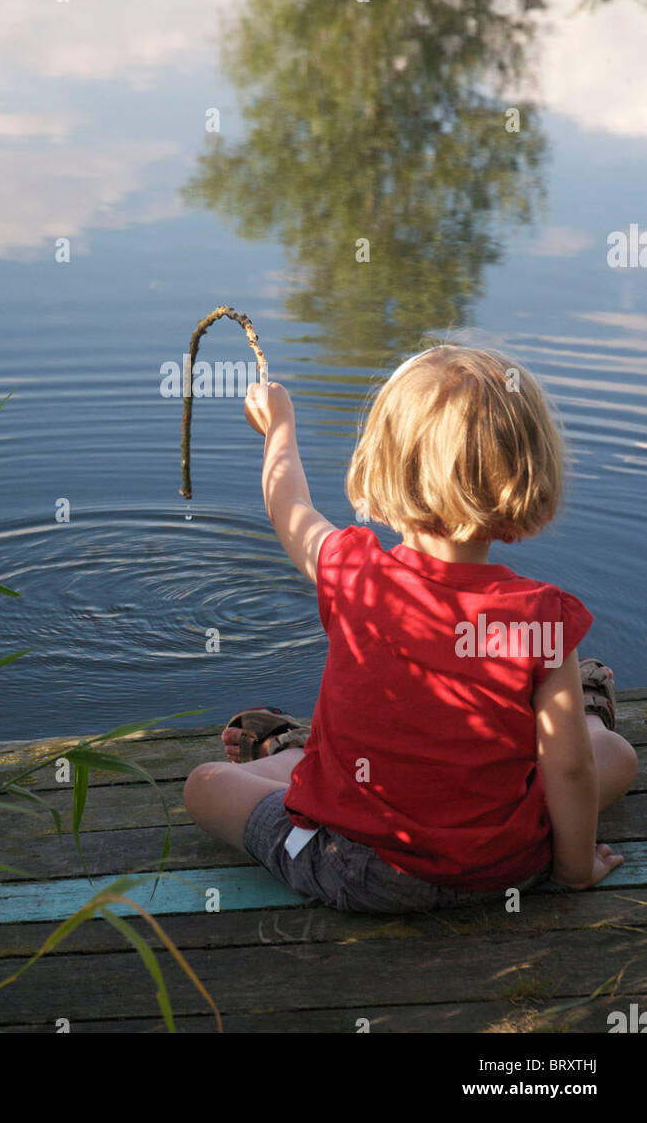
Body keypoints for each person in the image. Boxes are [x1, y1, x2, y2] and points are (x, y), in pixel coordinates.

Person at [183, 345, 639, 913]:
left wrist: (280, 425)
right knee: (611, 754)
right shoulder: (538, 617)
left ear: (384, 462)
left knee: (205, 786)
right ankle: (586, 708)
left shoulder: (352, 572)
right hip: (502, 868)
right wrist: (575, 870)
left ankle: (299, 757)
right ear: (523, 469)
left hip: (351, 867)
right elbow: (569, 768)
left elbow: (287, 504)